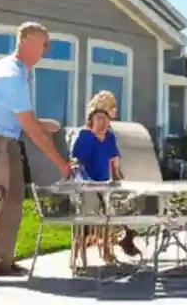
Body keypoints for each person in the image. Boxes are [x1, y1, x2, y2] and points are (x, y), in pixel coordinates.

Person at [0, 22, 72, 284]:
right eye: (43, 44)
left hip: (7, 142)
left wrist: (40, 123)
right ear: (25, 40)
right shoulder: (10, 75)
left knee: (12, 205)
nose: (46, 49)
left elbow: (22, 119)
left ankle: (1, 263)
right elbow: (32, 131)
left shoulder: (24, 73)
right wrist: (60, 164)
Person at [81, 90, 141, 258]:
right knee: (130, 199)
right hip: (99, 188)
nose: (116, 111)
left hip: (89, 188)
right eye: (113, 107)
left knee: (125, 197)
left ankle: (124, 235)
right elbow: (113, 168)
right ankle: (126, 235)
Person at [69, 108, 121, 268]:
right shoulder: (85, 138)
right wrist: (86, 182)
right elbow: (76, 163)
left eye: (106, 119)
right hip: (86, 185)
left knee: (110, 215)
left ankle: (106, 250)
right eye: (99, 118)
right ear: (91, 121)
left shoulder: (110, 138)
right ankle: (76, 254)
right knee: (85, 218)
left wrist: (117, 178)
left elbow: (114, 161)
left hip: (105, 184)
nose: (103, 122)